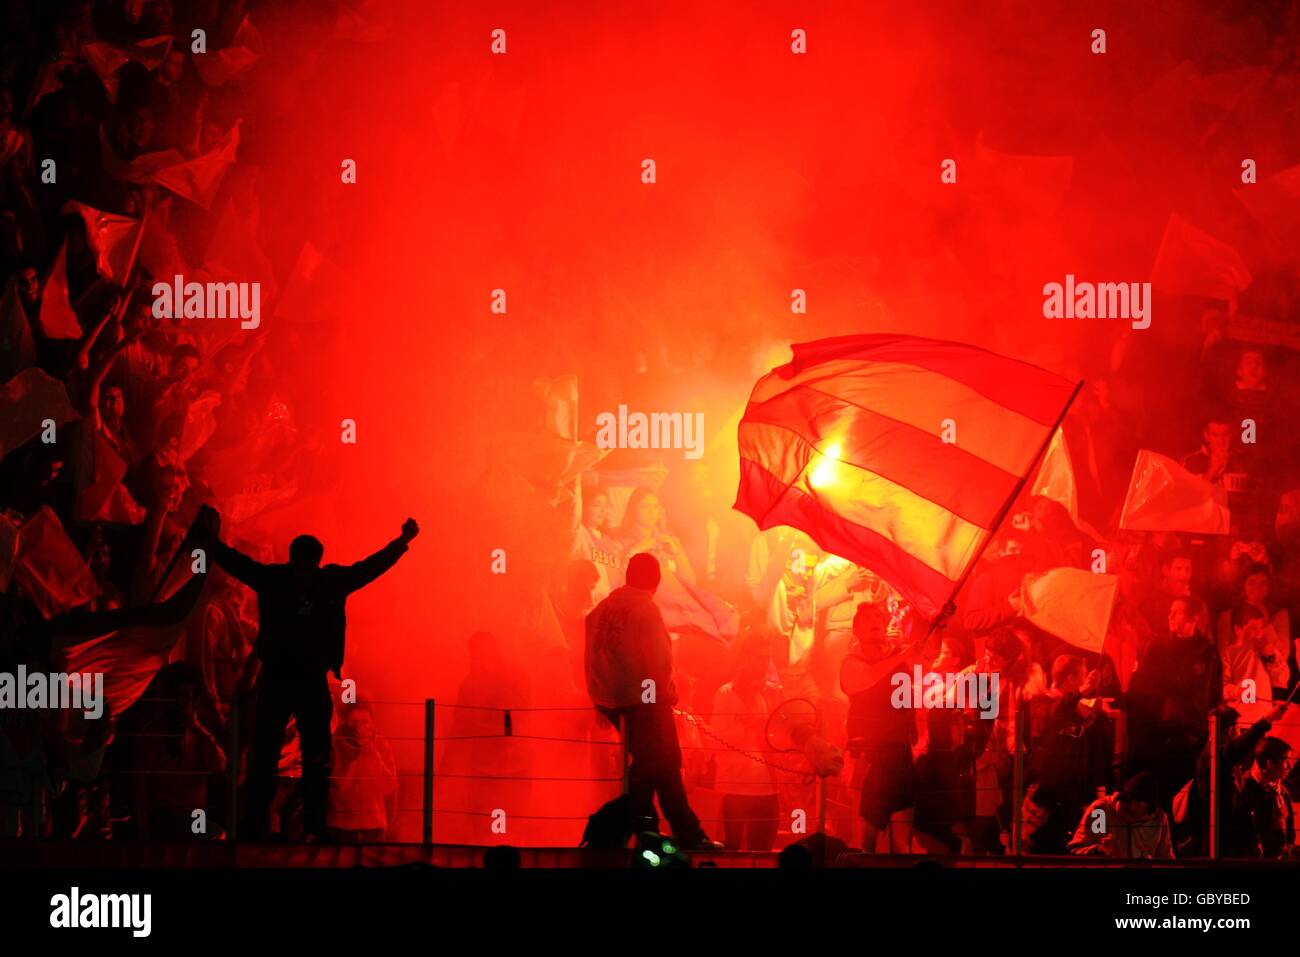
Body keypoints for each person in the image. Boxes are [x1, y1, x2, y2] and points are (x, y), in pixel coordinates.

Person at [198, 504, 418, 842]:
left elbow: (237, 564)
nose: (301, 572)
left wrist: (210, 541)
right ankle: (291, 825)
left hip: (284, 679)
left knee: (284, 755)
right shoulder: (325, 581)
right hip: (298, 680)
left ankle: (276, 824)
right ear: (314, 559)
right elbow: (369, 568)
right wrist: (401, 542)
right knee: (297, 756)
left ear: (296, 558)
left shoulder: (279, 579)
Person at [584, 551, 722, 851]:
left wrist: (599, 699)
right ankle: (617, 830)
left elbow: (589, 656)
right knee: (661, 762)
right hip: (644, 701)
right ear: (656, 582)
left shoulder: (601, 609)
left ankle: (655, 831)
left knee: (659, 764)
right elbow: (659, 662)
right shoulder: (646, 610)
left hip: (611, 700)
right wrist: (664, 697)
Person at [1069, 772, 1173, 859]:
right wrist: (1098, 850)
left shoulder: (1158, 818)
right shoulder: (1100, 813)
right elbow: (1076, 849)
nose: (1142, 810)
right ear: (1127, 798)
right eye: (1139, 804)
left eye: (1146, 807)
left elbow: (1166, 859)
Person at [1240, 736, 1296, 859]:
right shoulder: (1246, 791)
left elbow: (1289, 827)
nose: (1290, 766)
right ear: (1270, 763)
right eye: (1286, 760)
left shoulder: (1282, 791)